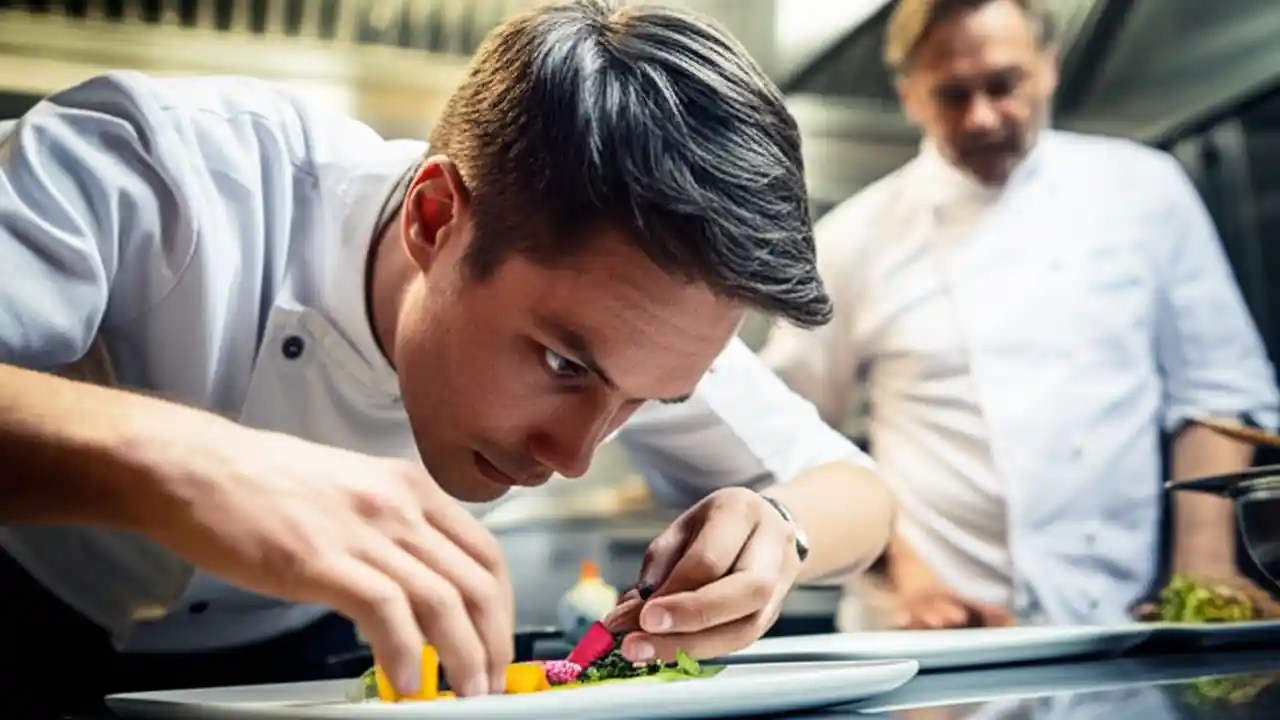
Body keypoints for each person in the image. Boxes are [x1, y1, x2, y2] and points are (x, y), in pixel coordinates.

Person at [0, 0, 895, 709]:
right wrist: (195, 467)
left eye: (646, 402)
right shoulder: (163, 166)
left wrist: (780, 532)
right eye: (561, 364)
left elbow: (859, 495)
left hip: (300, 674)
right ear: (434, 218)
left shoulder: (644, 318)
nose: (574, 458)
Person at [760, 0, 1279, 631]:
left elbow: (1214, 389)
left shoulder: (1146, 190)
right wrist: (905, 575)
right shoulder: (851, 239)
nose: (982, 118)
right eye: (952, 95)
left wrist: (1203, 571)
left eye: (1004, 85)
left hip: (1117, 624)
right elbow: (788, 433)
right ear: (910, 96)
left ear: (1049, 68)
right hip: (927, 630)